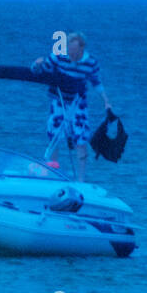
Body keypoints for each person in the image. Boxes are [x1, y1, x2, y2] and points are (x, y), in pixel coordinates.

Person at [30, 32, 113, 182]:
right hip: (59, 100)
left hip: (77, 101)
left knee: (81, 138)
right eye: (70, 51)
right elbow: (39, 72)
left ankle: (81, 179)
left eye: (75, 52)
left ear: (82, 49)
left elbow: (96, 82)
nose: (72, 55)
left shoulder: (90, 63)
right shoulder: (58, 57)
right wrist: (37, 64)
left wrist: (106, 101)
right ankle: (54, 173)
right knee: (54, 134)